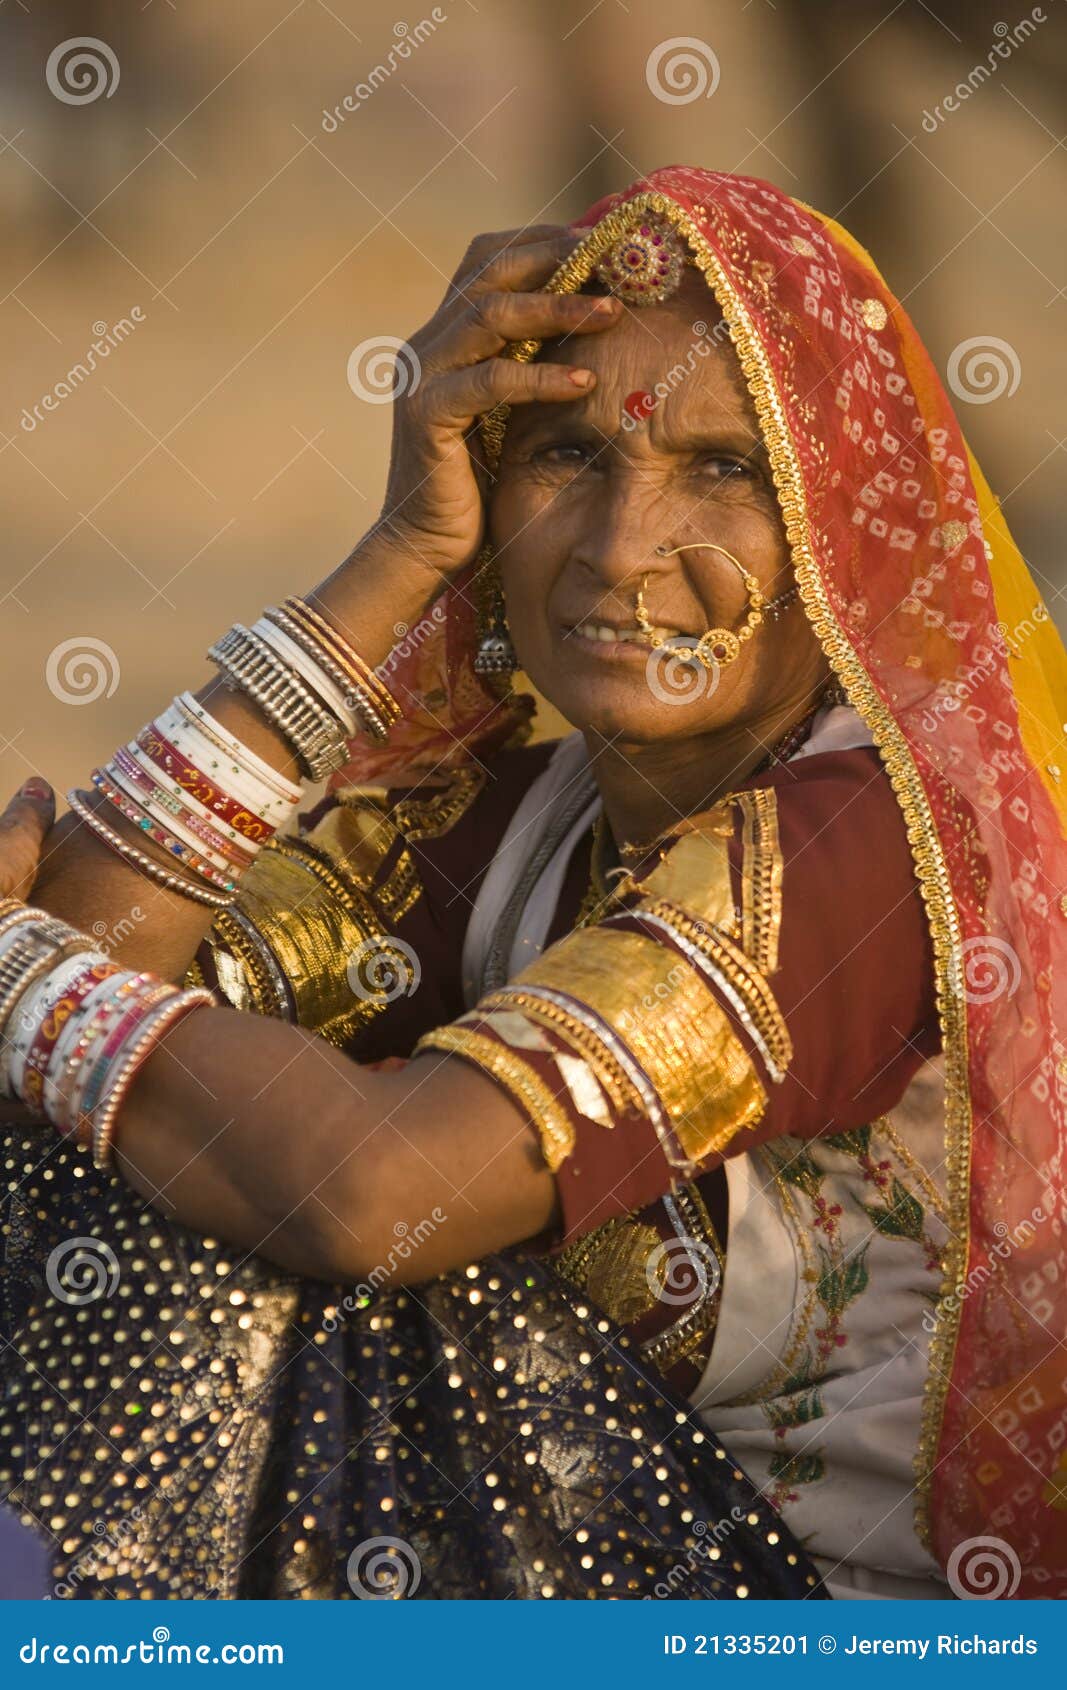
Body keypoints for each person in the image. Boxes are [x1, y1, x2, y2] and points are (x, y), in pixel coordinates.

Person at [0, 166, 1063, 1601]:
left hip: (815, 1621)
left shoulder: (874, 843)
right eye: (562, 457)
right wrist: (399, 554)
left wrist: (18, 972)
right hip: (578, 1569)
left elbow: (375, 1190)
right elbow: (90, 985)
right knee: (75, 1170)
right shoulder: (520, 816)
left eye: (727, 469)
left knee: (231, 1272)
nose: (624, 551)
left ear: (840, 527)